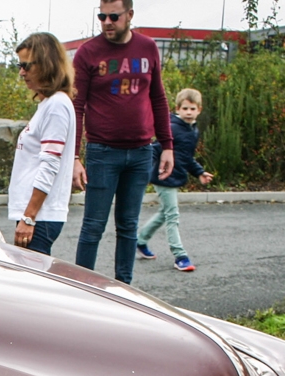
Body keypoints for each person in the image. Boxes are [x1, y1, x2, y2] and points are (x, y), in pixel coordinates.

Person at [70, 0, 174, 284]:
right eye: (101, 16)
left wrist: (167, 145)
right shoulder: (88, 53)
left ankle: (124, 291)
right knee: (93, 227)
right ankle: (82, 289)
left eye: (113, 16)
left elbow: (158, 98)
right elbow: (76, 106)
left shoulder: (148, 48)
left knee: (128, 226)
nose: (106, 22)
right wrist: (75, 158)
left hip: (141, 151)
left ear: (129, 15)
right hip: (102, 152)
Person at [9, 33, 76, 255]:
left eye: (27, 66)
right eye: (20, 65)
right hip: (36, 214)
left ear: (46, 64)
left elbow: (50, 164)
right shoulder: (49, 104)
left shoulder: (57, 105)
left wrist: (29, 216)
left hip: (41, 215)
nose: (22, 72)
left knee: (31, 283)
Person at [136, 87, 214, 271]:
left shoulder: (192, 130)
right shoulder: (172, 128)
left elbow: (186, 157)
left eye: (192, 109)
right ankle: (180, 256)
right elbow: (155, 149)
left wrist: (200, 172)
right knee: (173, 216)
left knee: (165, 213)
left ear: (199, 110)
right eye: (185, 108)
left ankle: (140, 240)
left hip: (176, 175)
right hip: (163, 176)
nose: (188, 112)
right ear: (177, 108)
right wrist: (142, 170)